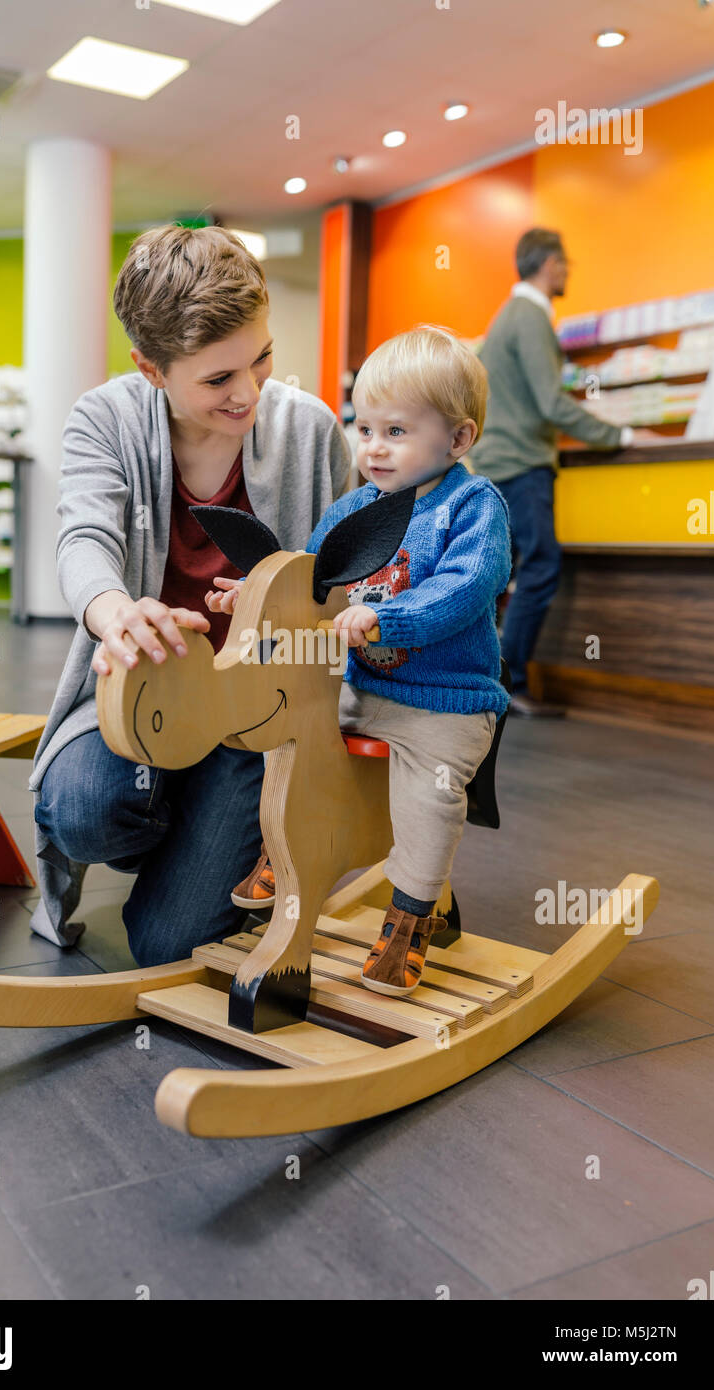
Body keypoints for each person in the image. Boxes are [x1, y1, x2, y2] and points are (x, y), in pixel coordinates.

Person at [27, 224, 351, 963]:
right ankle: (184, 818)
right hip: (148, 689)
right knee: (84, 813)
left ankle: (212, 823)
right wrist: (117, 616)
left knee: (166, 943)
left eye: (262, 357)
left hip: (257, 717)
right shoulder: (104, 419)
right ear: (150, 368)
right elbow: (83, 539)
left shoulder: (312, 430)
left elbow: (339, 583)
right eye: (216, 380)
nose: (250, 393)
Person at [217, 326, 512, 997]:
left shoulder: (471, 506)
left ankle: (408, 921)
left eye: (397, 431)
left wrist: (387, 615)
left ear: (458, 440)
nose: (373, 447)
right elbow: (310, 577)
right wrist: (255, 593)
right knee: (282, 723)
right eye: (364, 426)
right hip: (359, 687)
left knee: (430, 798)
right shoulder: (353, 508)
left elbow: (467, 587)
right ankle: (280, 850)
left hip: (443, 697)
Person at [467, 228, 660, 717]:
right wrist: (623, 436)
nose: (568, 271)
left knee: (493, 575)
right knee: (541, 565)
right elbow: (552, 402)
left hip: (496, 463)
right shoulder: (530, 317)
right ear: (548, 264)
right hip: (522, 466)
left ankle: (482, 680)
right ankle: (515, 684)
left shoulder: (504, 319)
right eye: (564, 262)